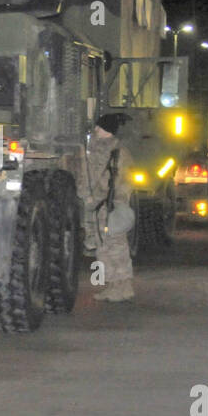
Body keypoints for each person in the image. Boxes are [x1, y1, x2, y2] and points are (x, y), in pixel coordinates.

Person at [82, 113, 134, 302]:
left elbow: (124, 181)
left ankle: (123, 285)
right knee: (103, 249)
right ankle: (112, 285)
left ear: (108, 131)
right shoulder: (96, 149)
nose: (96, 130)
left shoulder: (118, 152)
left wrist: (116, 200)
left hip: (110, 206)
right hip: (98, 206)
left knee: (116, 247)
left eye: (100, 127)